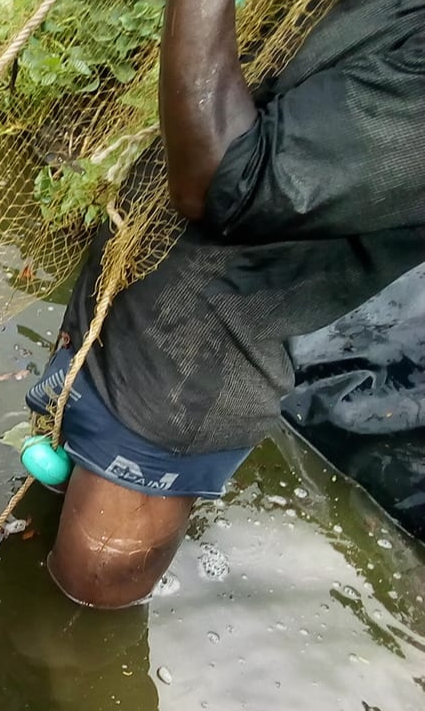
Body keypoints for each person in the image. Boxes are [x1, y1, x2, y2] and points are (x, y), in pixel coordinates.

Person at [23, 0, 425, 609]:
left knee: (72, 627)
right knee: (22, 559)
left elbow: (222, 180)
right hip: (110, 319)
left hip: (177, 389)